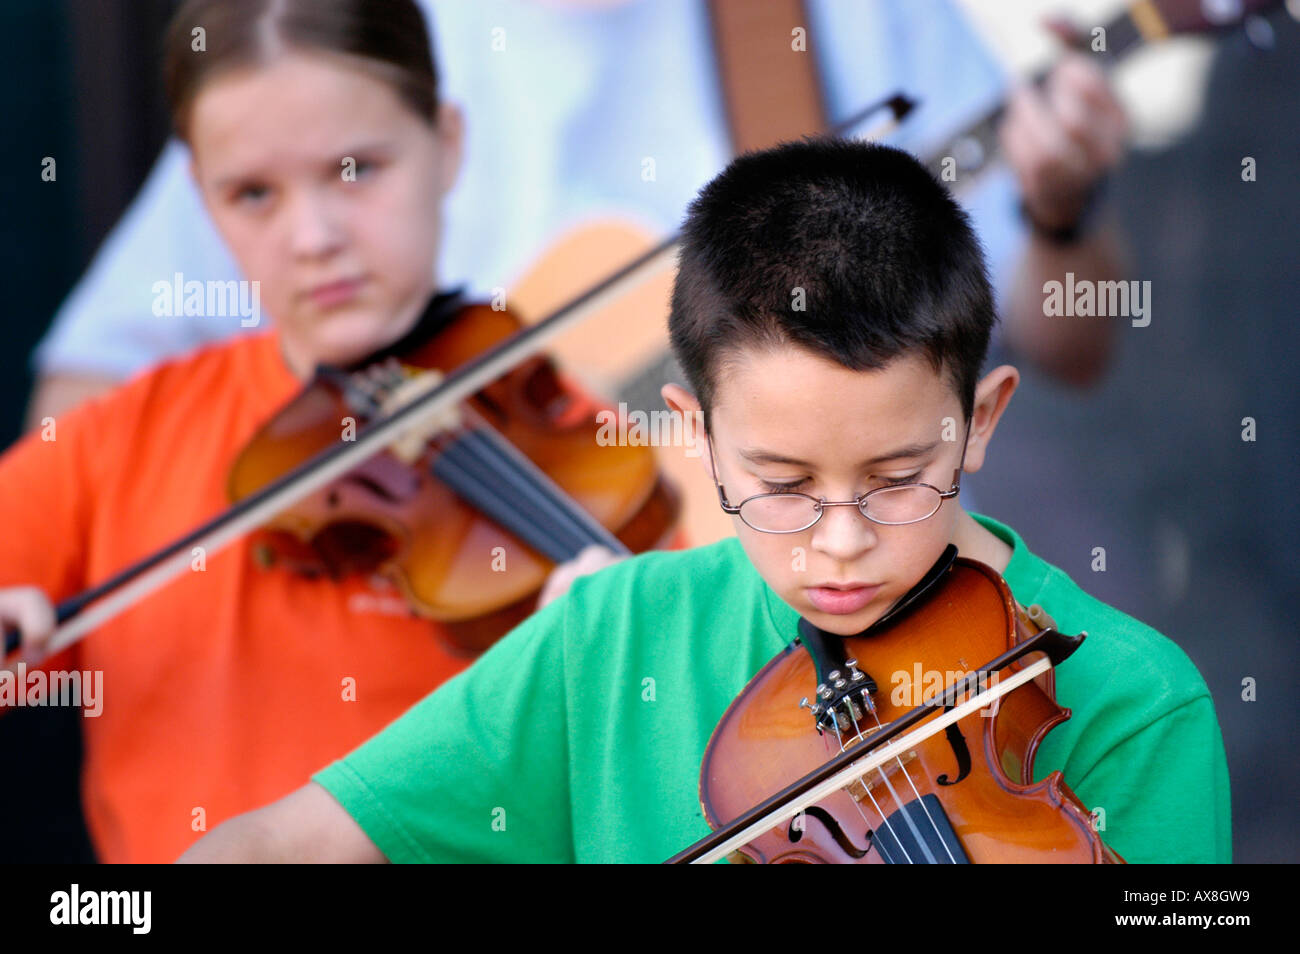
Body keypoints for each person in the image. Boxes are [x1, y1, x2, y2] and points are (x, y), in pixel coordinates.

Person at [180, 138, 1231, 864]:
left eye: (897, 478)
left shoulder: (1133, 704)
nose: (841, 543)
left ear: (984, 418)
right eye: (780, 485)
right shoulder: (608, 636)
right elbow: (283, 843)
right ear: (693, 433)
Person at [0, 0, 645, 863]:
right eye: (254, 193)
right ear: (202, 201)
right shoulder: (112, 444)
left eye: (355, 170)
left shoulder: (595, 458)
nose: (312, 237)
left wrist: (628, 663)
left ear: (449, 145)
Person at [26, 0, 1128, 432]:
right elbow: (81, 391)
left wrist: (1060, 211)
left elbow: (1070, 346)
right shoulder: (353, 37)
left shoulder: (825, 18)